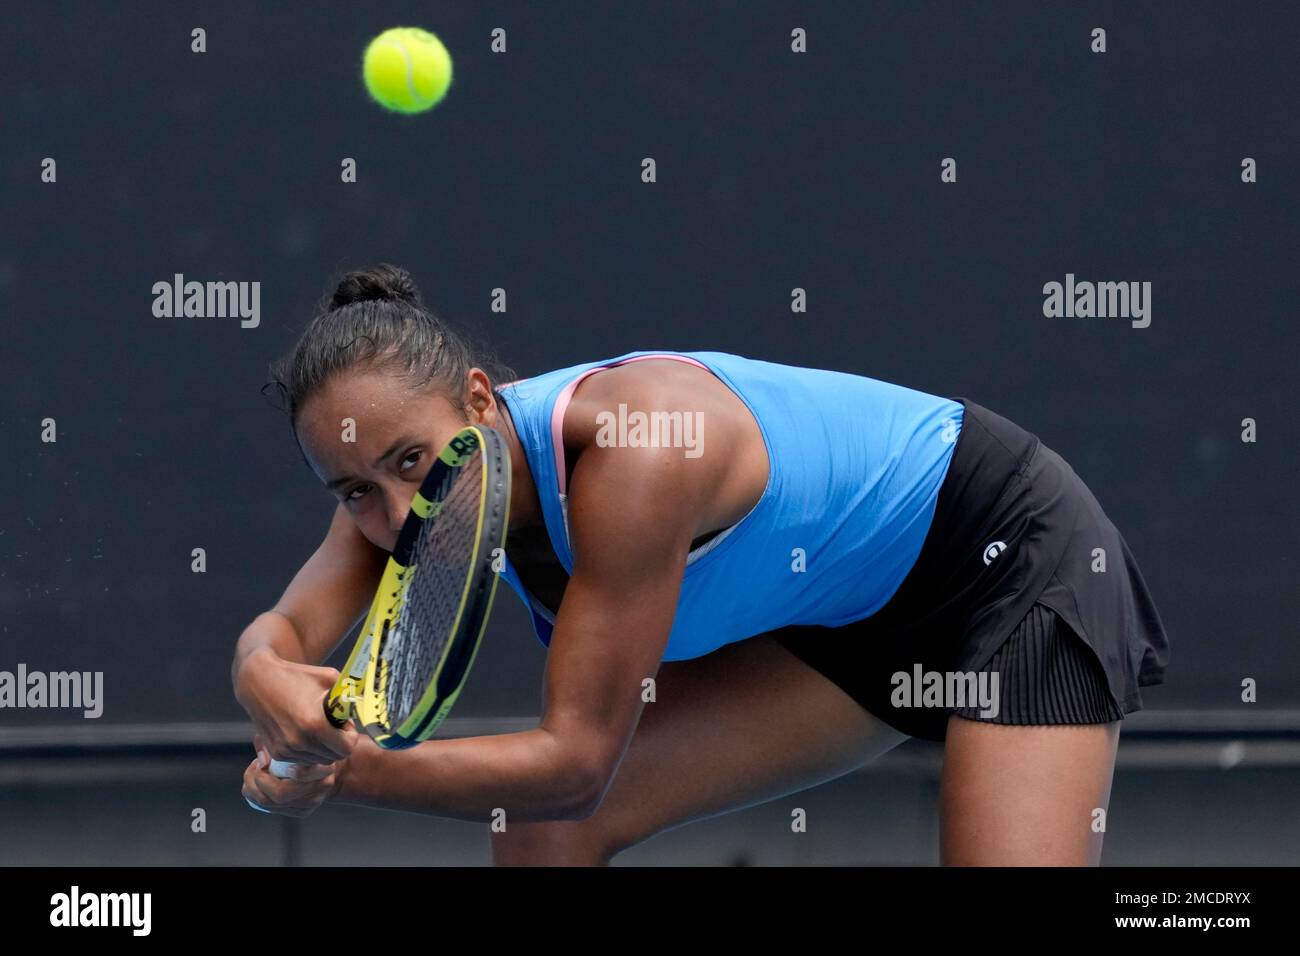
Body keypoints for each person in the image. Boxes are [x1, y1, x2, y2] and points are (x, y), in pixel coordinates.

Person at [232, 263, 1169, 865]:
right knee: (543, 842)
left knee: (556, 803)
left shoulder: (633, 458)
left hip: (1012, 562)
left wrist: (338, 771)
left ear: (480, 399)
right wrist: (258, 672)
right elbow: (280, 635)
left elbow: (574, 767)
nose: (397, 514)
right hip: (850, 615)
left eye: (408, 462)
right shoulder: (396, 498)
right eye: (352, 490)